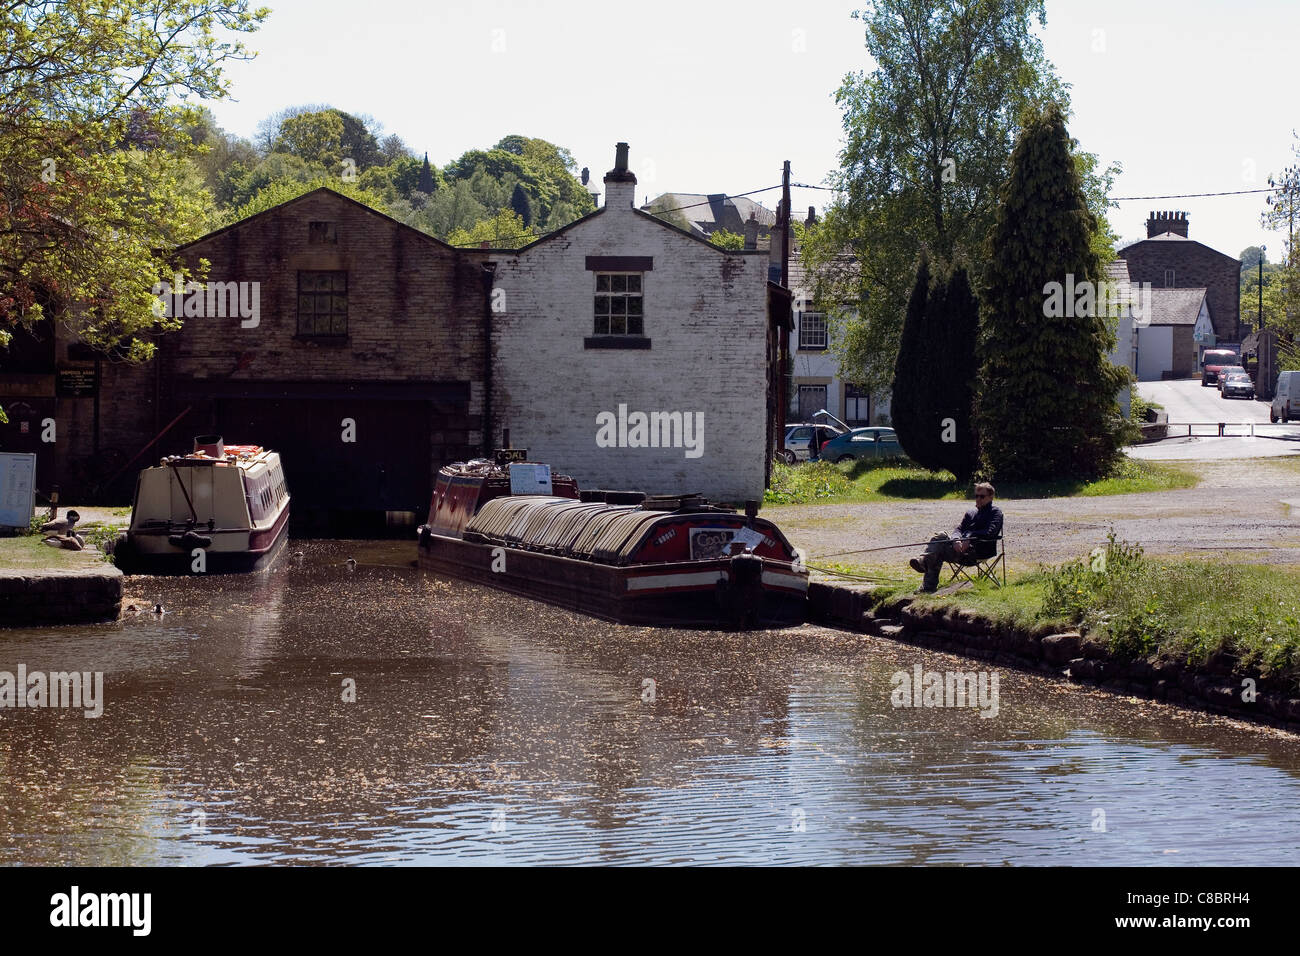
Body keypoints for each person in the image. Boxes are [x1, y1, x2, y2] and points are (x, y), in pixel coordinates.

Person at [908, 483, 1003, 592]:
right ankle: (927, 585)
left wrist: (969, 538)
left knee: (937, 549)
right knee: (940, 537)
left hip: (978, 552)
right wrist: (956, 540)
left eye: (982, 496)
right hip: (960, 551)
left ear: (991, 497)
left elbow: (990, 532)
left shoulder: (996, 513)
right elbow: (958, 529)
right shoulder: (971, 512)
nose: (978, 499)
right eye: (976, 496)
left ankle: (924, 566)